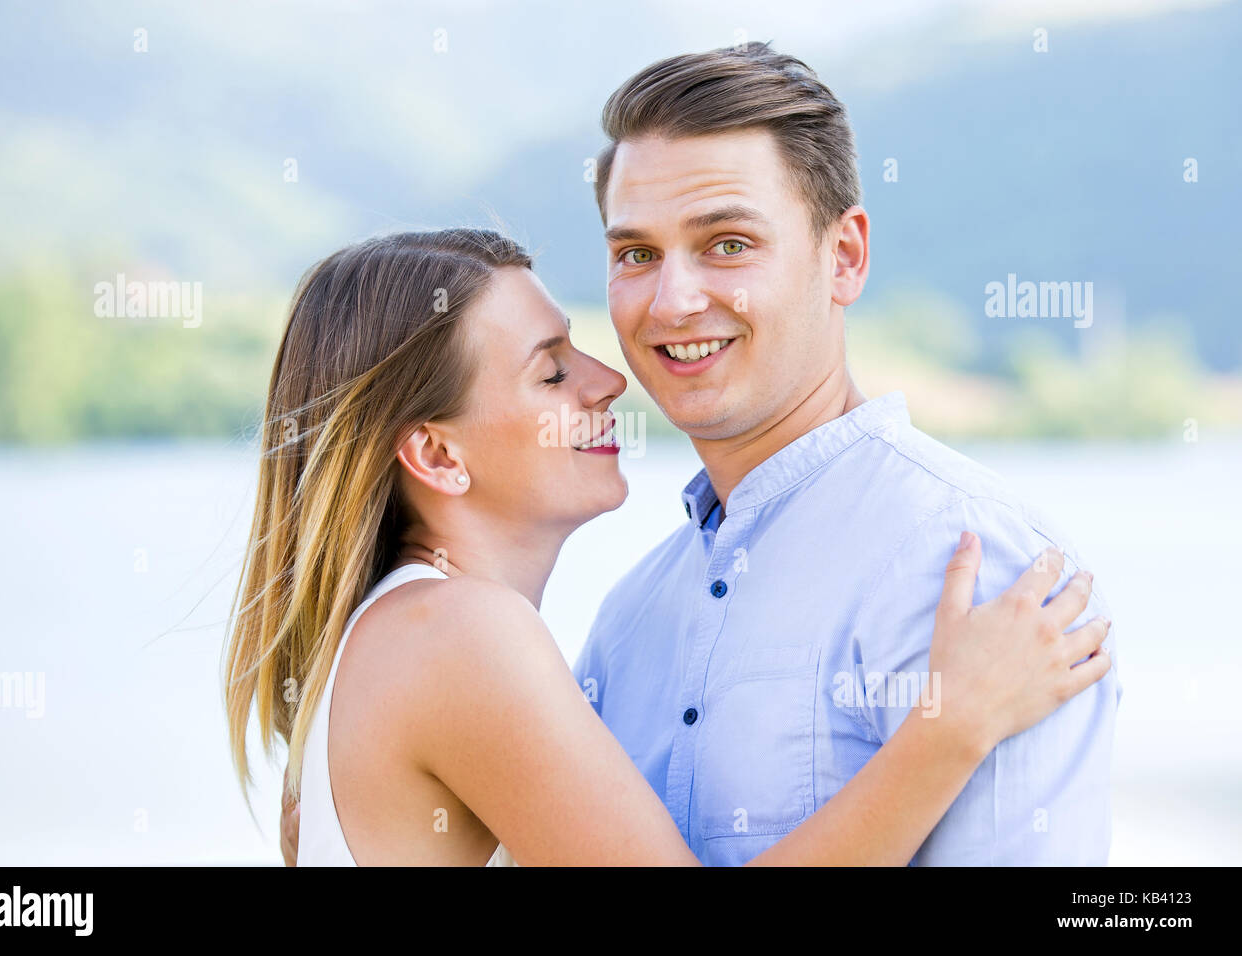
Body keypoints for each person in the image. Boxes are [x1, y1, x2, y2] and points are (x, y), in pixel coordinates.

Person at [226, 228, 1111, 866]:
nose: (608, 380)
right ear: (436, 454)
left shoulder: (408, 636)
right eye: (551, 371)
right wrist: (946, 732)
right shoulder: (458, 638)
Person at [572, 42, 1122, 865]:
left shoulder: (985, 574)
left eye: (728, 244)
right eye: (636, 255)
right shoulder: (624, 626)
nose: (673, 301)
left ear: (846, 256)